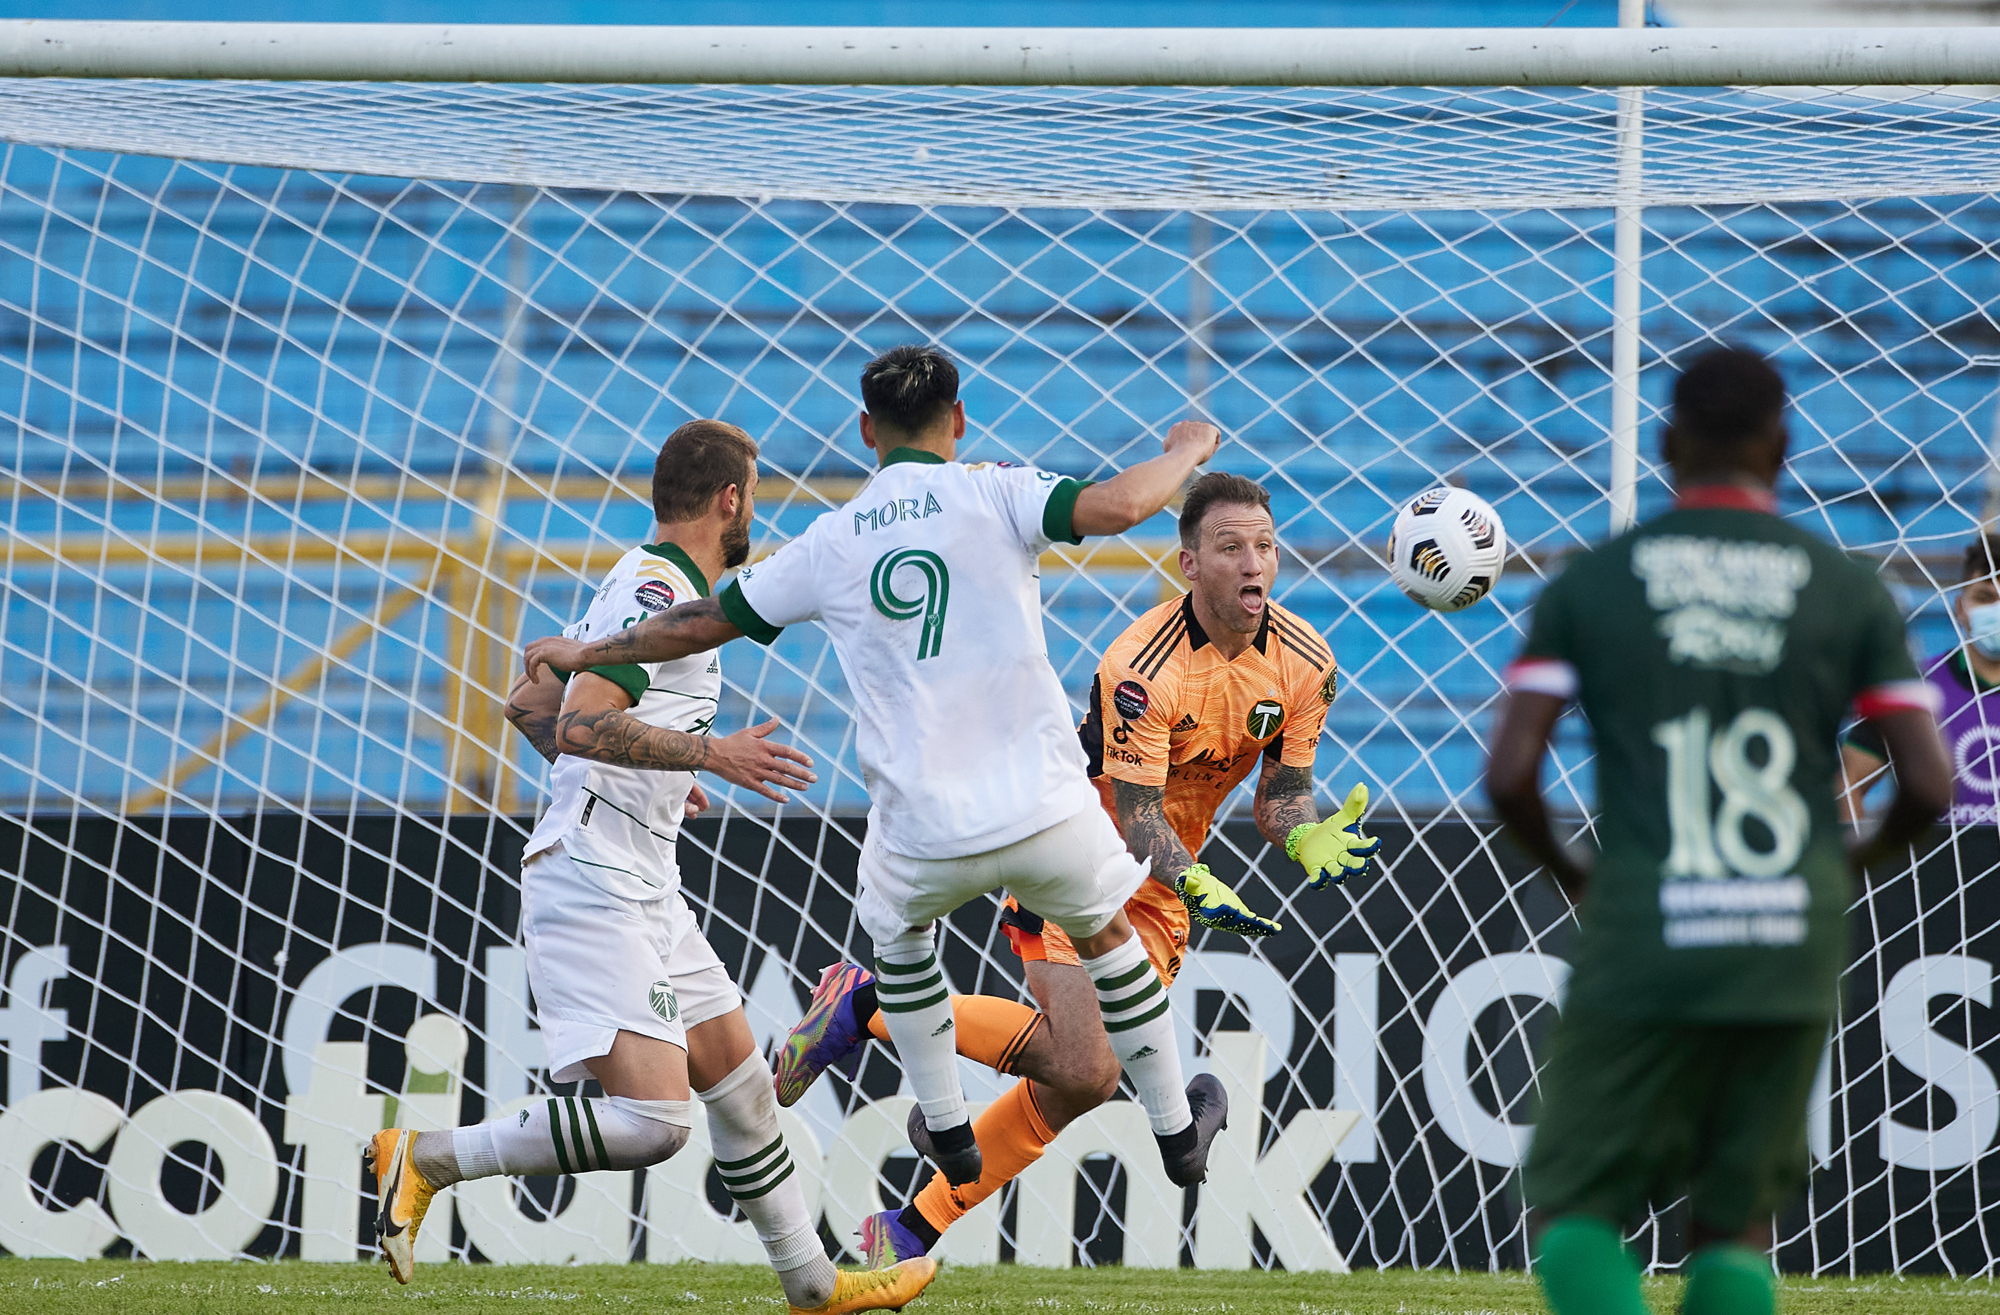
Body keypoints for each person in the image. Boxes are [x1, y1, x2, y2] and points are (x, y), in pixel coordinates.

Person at [523, 345, 1240, 1198]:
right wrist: (1188, 448)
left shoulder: (831, 539)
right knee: (1108, 936)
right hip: (1043, 809)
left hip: (923, 829)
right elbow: (1122, 504)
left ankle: (948, 1129)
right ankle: (1176, 1132)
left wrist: (590, 651)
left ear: (866, 430)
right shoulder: (999, 490)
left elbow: (702, 621)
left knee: (900, 945)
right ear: (959, 419)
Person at [368, 419, 935, 1315]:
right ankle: (430, 1156)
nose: (755, 511)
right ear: (730, 499)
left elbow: (529, 706)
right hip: (593, 876)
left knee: (743, 1089)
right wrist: (706, 754)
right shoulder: (657, 592)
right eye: (754, 494)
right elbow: (579, 723)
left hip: (641, 871)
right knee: (656, 1123)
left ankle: (814, 1286)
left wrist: (654, 777)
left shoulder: (645, 577)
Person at [770, 470, 1385, 1265]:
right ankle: (869, 1006)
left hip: (1166, 885)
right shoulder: (1142, 665)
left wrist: (1305, 837)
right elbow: (1135, 815)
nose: (1251, 562)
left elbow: (1283, 798)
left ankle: (906, 1224)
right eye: (1229, 546)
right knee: (1087, 1066)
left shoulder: (1306, 662)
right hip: (1075, 852)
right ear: (1190, 564)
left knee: (1076, 1082)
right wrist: (1195, 880)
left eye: (1264, 546)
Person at [1485, 347, 1951, 1315]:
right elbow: (1925, 780)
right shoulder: (1846, 589)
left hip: (1647, 921)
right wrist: (1845, 862)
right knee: (1734, 1227)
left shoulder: (1594, 584)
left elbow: (1511, 774)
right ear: (1781, 446)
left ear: (1666, 445)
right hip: (1785, 930)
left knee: (1575, 1206)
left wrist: (1577, 875)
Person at [1841, 533, 2000, 827]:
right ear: (1960, 608)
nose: (1996, 611)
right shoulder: (1914, 689)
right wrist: (1870, 854)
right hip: (1940, 857)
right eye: (1985, 598)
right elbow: (1846, 784)